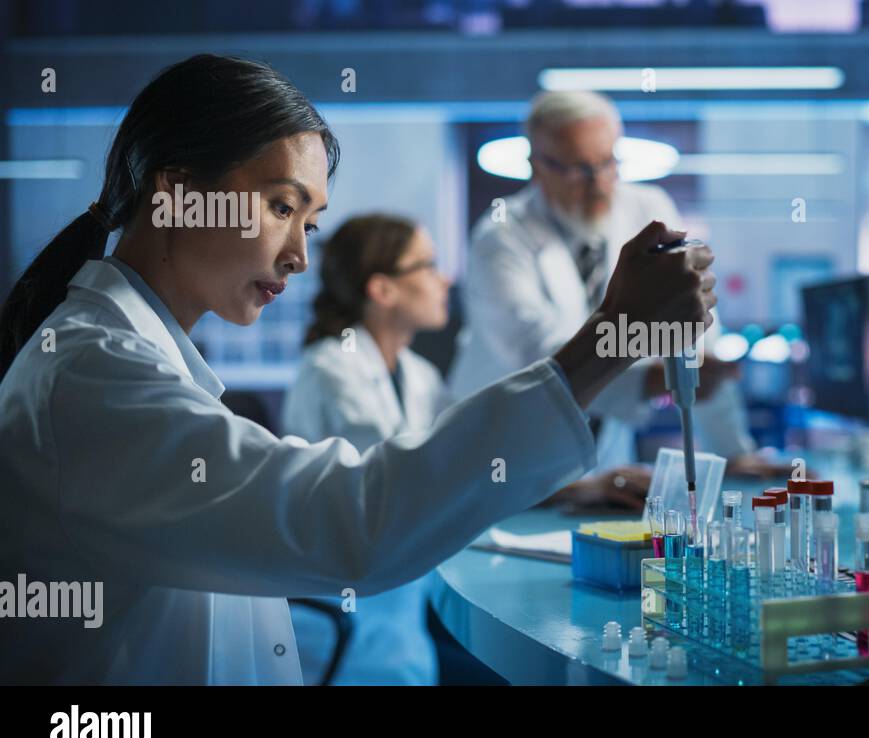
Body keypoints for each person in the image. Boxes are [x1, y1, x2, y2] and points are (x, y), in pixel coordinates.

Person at [0, 54, 715, 685]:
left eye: (308, 224)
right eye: (282, 206)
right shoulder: (91, 378)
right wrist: (610, 340)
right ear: (179, 191)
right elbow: (351, 517)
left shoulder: (132, 361)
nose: (298, 256)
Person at [281, 214, 648, 684]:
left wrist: (582, 486)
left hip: (404, 608)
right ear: (383, 289)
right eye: (427, 265)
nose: (445, 278)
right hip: (355, 623)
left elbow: (474, 461)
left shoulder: (418, 374)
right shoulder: (333, 371)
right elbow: (417, 484)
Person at [450, 90, 785, 479]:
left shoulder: (647, 208)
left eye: (607, 162)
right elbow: (543, 357)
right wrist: (647, 379)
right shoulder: (500, 237)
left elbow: (692, 326)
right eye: (578, 169)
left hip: (603, 446)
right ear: (536, 165)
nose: (599, 184)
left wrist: (733, 450)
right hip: (508, 445)